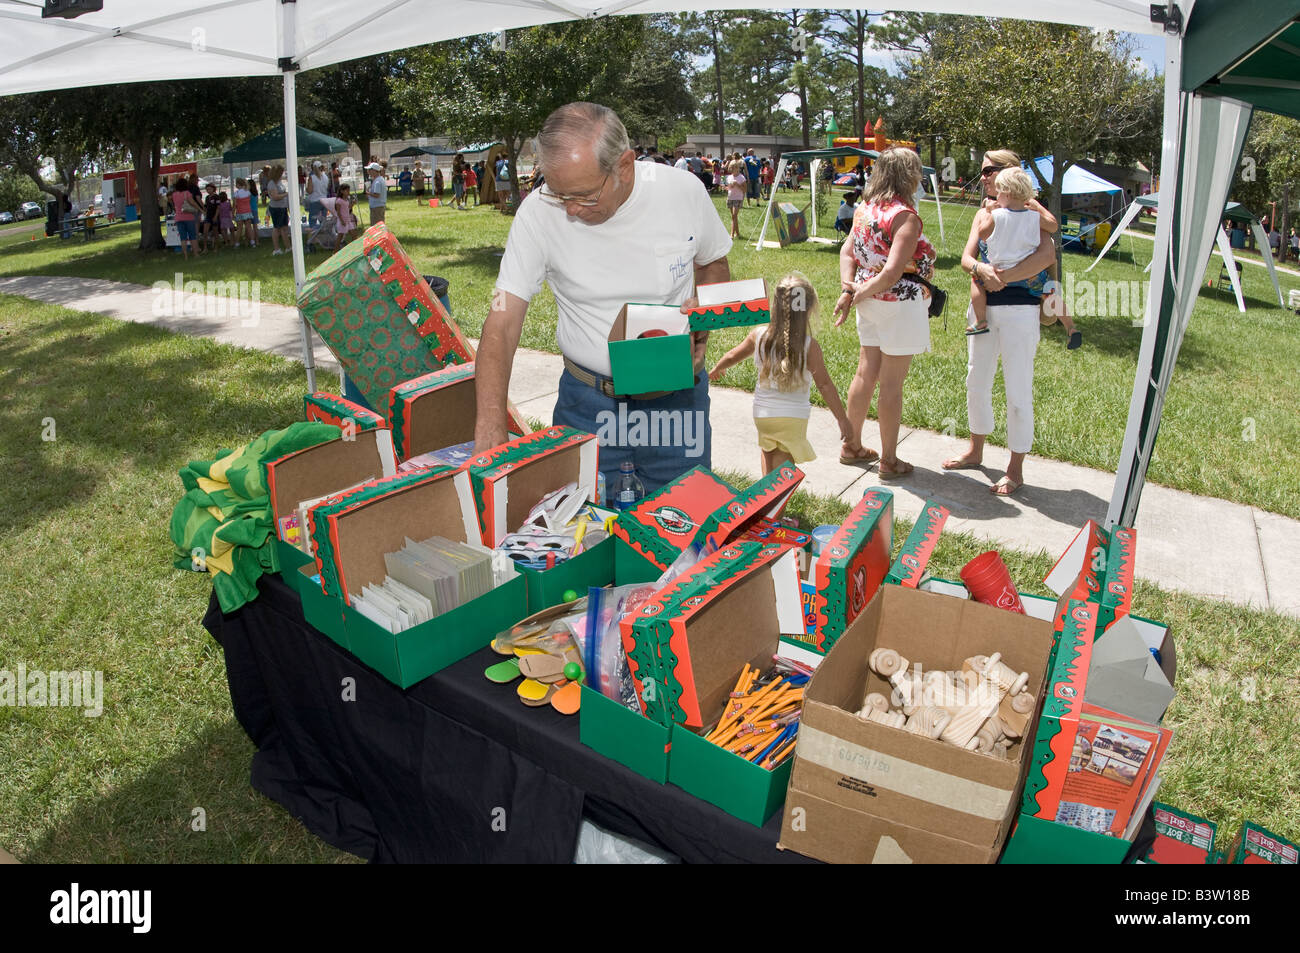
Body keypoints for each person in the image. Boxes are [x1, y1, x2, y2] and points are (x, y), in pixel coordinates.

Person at [476, 102, 733, 494]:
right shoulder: (538, 213)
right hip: (587, 404)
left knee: (684, 530)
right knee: (583, 535)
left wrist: (703, 322)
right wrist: (490, 421)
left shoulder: (682, 192)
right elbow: (502, 321)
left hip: (677, 402)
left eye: (584, 195)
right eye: (560, 195)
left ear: (624, 166)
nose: (572, 210)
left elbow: (714, 263)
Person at [941, 150, 1060, 496]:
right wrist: (981, 269)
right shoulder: (984, 213)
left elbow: (1047, 255)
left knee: (1018, 390)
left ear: (1009, 174)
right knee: (976, 379)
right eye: (982, 172)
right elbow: (967, 258)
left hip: (1020, 312)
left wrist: (1001, 276)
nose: (983, 177)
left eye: (989, 171)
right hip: (983, 308)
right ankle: (975, 451)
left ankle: (1015, 469)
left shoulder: (1034, 212)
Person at [832, 147, 937, 478]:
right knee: (891, 384)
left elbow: (847, 251)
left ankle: (852, 445)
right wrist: (857, 292)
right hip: (899, 303)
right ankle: (889, 461)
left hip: (869, 303)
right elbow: (893, 272)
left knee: (865, 373)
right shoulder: (904, 216)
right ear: (910, 175)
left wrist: (851, 289)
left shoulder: (865, 207)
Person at [708, 273, 853, 472]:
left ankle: (768, 502)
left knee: (769, 466)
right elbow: (824, 385)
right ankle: (777, 504)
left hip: (763, 415)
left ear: (774, 306)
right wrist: (842, 419)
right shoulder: (809, 346)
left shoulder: (759, 335)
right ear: (809, 309)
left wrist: (719, 367)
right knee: (783, 480)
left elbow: (733, 355)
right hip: (792, 419)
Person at [966, 167, 1051, 337]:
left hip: (1002, 280)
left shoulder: (997, 215)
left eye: (989, 171)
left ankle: (981, 320)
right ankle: (1068, 323)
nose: (983, 177)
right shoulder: (1034, 217)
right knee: (1047, 290)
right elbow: (1053, 226)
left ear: (1006, 191)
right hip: (1029, 279)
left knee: (976, 281)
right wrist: (1038, 210)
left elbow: (982, 234)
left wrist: (990, 213)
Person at [171, 176, 203, 259]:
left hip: (178, 218)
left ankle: (185, 256)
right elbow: (193, 203)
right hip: (188, 217)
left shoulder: (174, 195)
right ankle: (196, 254)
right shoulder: (187, 193)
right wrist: (200, 209)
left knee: (183, 238)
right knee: (193, 236)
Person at [264, 164, 291, 255]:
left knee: (284, 228)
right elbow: (275, 197)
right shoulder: (271, 183)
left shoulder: (279, 182)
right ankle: (276, 249)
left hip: (283, 207)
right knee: (277, 228)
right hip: (276, 208)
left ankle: (288, 247)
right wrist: (286, 194)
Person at [724, 158, 746, 238]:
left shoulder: (742, 177)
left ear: (738, 168)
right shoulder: (729, 177)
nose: (733, 169)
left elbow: (745, 190)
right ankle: (738, 233)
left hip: (738, 198)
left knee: (734, 215)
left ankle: (732, 234)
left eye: (735, 167)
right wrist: (726, 188)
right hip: (730, 197)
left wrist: (737, 185)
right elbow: (729, 188)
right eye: (732, 167)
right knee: (734, 216)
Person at [233, 178, 256, 248]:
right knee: (249, 227)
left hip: (240, 212)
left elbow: (234, 205)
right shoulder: (248, 192)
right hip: (248, 211)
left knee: (239, 228)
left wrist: (232, 212)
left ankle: (237, 243)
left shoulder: (236, 193)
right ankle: (252, 242)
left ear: (238, 184)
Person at [306, 160, 329, 229]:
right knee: (323, 222)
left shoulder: (312, 178)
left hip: (315, 201)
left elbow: (310, 191)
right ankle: (323, 237)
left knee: (312, 222)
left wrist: (306, 189)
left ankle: (313, 238)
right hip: (324, 201)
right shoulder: (325, 177)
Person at [365, 161, 388, 225]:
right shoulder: (379, 179)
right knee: (378, 225)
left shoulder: (377, 181)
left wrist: (368, 193)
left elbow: (377, 195)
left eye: (369, 170)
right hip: (378, 206)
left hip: (377, 207)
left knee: (377, 226)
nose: (368, 171)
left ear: (374, 171)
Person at [202, 182, 221, 252]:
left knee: (215, 232)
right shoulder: (207, 197)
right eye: (207, 189)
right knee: (205, 232)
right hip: (208, 216)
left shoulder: (216, 197)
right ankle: (205, 247)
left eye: (209, 189)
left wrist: (215, 216)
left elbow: (218, 207)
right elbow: (206, 207)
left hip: (215, 216)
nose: (208, 191)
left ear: (213, 189)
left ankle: (216, 247)